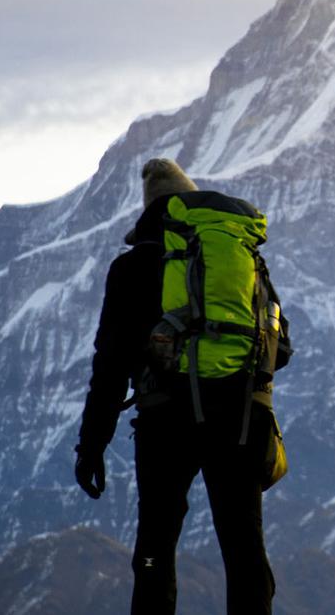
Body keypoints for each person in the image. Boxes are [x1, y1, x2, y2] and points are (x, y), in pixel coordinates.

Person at [75, 157, 280, 615]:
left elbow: (109, 364)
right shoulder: (244, 257)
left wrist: (91, 444)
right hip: (242, 418)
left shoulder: (132, 268)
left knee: (155, 547)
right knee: (244, 549)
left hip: (166, 421)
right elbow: (279, 347)